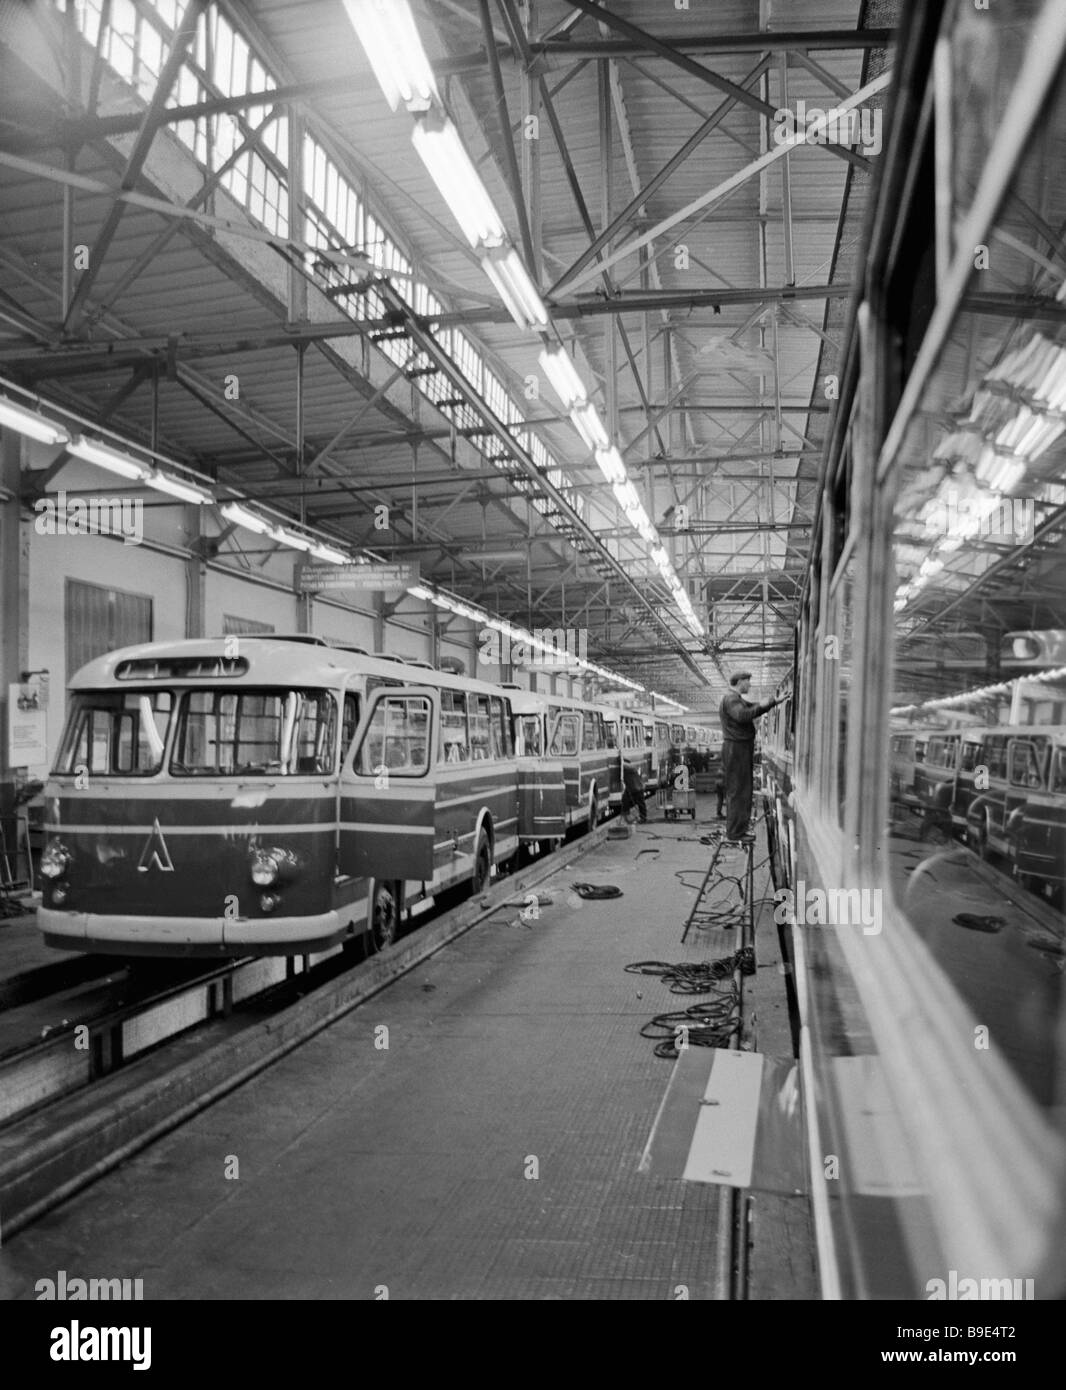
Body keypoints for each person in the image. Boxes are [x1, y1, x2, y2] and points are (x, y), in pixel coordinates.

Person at [719, 672, 783, 841]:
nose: (750, 685)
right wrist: (767, 703)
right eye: (748, 682)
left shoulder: (735, 698)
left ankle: (739, 830)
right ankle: (735, 833)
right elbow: (743, 715)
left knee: (742, 790)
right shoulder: (731, 699)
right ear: (740, 682)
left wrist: (772, 702)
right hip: (736, 749)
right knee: (738, 790)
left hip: (738, 748)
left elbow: (752, 706)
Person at [620, 760, 648, 824]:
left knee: (639, 803)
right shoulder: (631, 767)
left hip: (635, 788)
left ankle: (643, 818)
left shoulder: (625, 767)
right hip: (636, 787)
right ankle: (641, 817)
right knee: (626, 801)